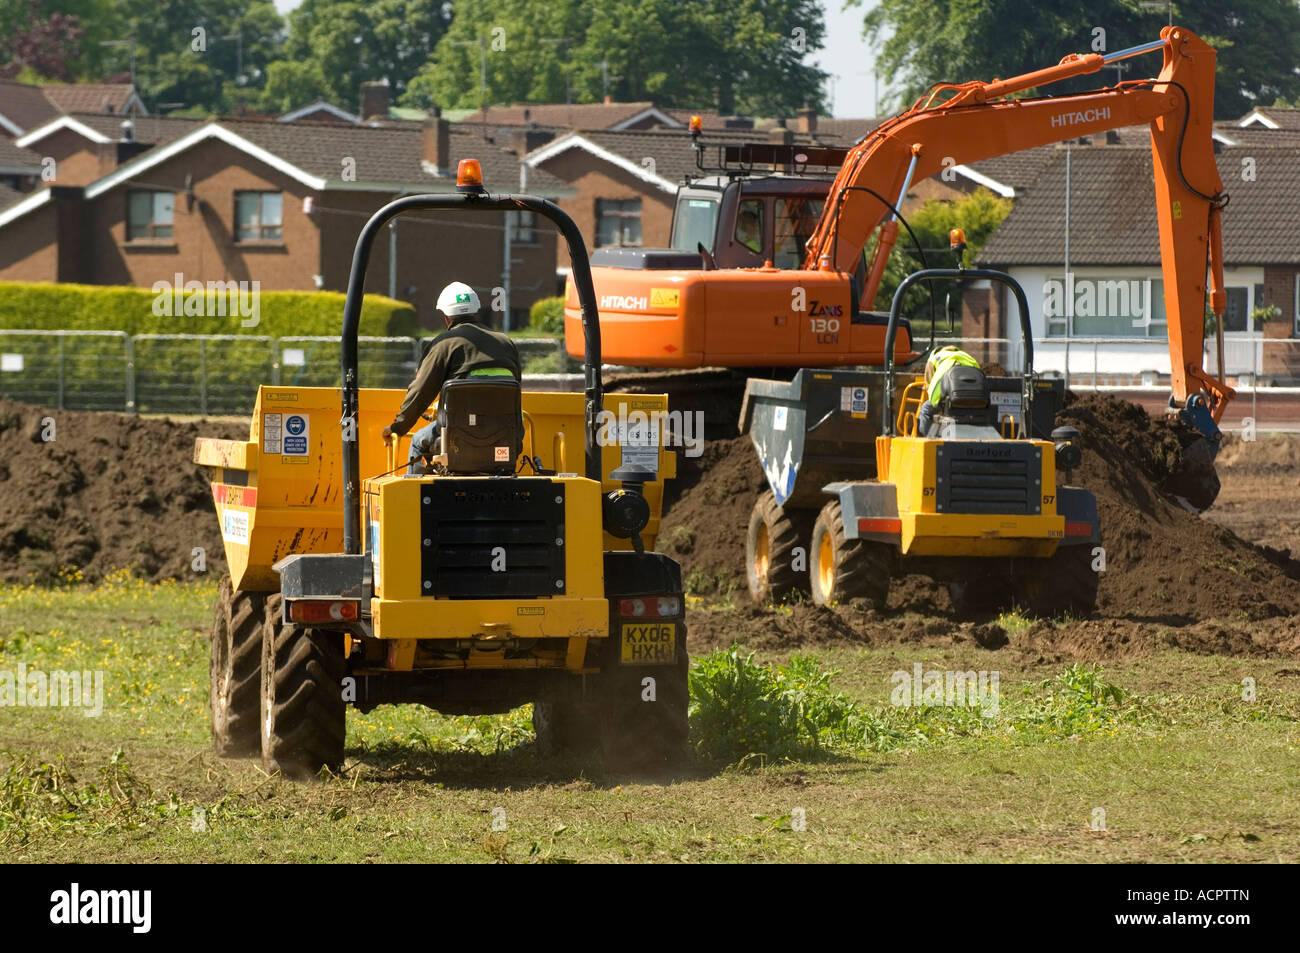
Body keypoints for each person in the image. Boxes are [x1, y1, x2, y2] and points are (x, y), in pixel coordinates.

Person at [383, 281, 522, 473]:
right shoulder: (506, 343)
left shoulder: (444, 344)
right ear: (475, 313)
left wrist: (398, 427)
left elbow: (420, 393)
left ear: (446, 317)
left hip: (456, 440)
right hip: (507, 439)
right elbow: (515, 390)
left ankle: (415, 499)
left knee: (417, 441)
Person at [915, 345, 980, 437]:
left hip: (952, 399)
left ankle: (924, 437)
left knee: (926, 408)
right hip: (977, 398)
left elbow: (929, 384)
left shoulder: (934, 358)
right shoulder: (965, 357)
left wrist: (936, 399)